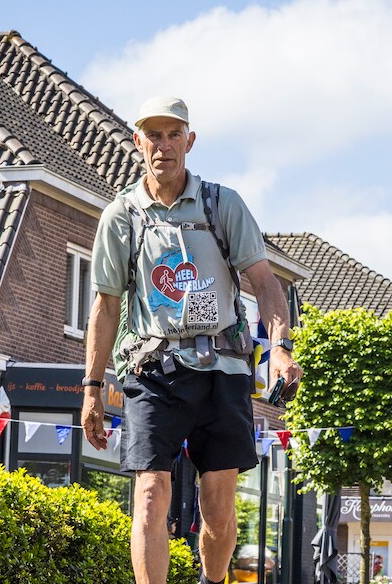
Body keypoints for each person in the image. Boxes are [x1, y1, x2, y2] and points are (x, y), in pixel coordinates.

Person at [80, 96, 302, 584]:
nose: (163, 146)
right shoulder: (122, 217)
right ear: (137, 142)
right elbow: (106, 306)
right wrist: (92, 388)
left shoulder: (223, 205)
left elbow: (265, 284)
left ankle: (212, 581)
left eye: (173, 134)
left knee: (219, 511)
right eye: (153, 135)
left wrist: (281, 348)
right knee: (150, 494)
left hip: (223, 369)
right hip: (152, 370)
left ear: (190, 141)